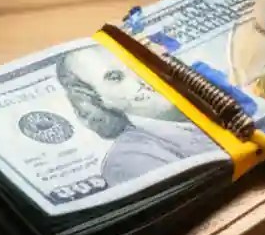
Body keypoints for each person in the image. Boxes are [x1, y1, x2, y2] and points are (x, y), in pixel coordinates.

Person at [54, 45, 219, 187]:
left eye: (137, 61)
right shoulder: (128, 160)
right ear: (98, 101)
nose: (141, 76)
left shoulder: (213, 95)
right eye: (115, 78)